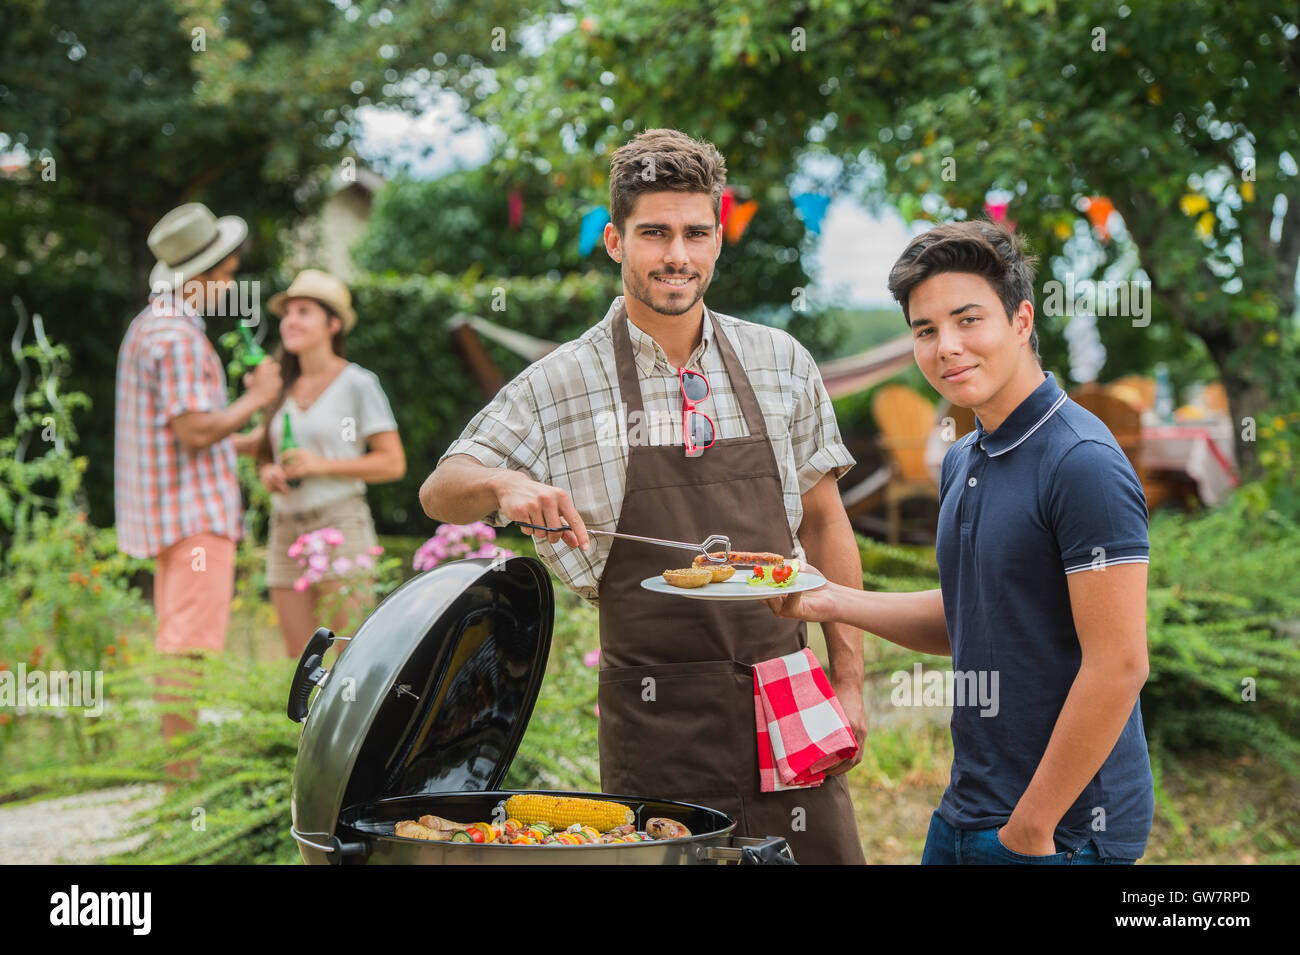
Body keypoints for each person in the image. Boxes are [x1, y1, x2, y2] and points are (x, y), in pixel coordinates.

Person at [421, 129, 867, 864]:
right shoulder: (560, 382)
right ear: (614, 241)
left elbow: (824, 522)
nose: (677, 256)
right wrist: (505, 482)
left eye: (696, 233)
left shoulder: (780, 361)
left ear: (719, 239)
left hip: (787, 695)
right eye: (654, 233)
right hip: (657, 720)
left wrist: (849, 678)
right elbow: (441, 490)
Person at [767, 219, 1154, 865]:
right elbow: (970, 615)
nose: (947, 346)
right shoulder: (965, 456)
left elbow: (1119, 664)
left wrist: (1031, 828)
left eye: (968, 319)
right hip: (967, 809)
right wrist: (825, 598)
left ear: (1022, 320)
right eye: (925, 329)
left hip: (1063, 830)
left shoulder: (1082, 461)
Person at [115, 202, 282, 769]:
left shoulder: (150, 326)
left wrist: (244, 437)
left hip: (167, 516)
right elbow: (191, 430)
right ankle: (182, 781)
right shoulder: (182, 337)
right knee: (187, 652)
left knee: (176, 643)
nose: (230, 284)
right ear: (203, 276)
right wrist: (257, 400)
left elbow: (178, 435)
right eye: (227, 274)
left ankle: (177, 775)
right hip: (197, 522)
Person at [253, 269, 405, 658]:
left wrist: (320, 465)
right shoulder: (278, 385)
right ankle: (308, 724)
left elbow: (392, 463)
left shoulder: (358, 383)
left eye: (304, 311)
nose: (290, 320)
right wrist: (268, 473)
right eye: (287, 313)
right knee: (301, 660)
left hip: (340, 523)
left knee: (349, 656)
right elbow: (265, 454)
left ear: (333, 323)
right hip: (286, 527)